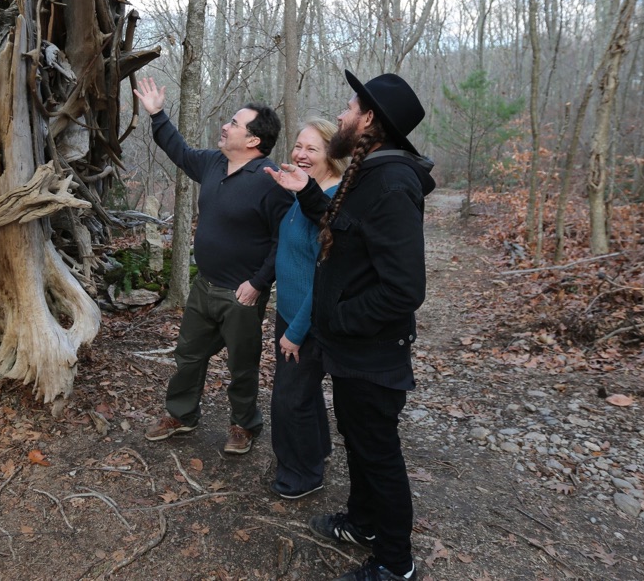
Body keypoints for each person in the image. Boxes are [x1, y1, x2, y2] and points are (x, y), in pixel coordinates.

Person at [266, 71, 435, 581]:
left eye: (350, 106)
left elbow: (405, 288)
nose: (341, 113)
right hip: (353, 350)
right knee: (358, 441)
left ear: (370, 121)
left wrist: (336, 317)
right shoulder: (369, 175)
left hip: (372, 352)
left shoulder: (392, 182)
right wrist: (307, 197)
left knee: (378, 453)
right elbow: (349, 234)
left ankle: (394, 563)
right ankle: (363, 523)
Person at [133, 77, 293, 455]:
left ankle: (244, 425)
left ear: (253, 140)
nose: (226, 126)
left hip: (242, 294)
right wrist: (157, 115)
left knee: (242, 366)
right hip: (204, 287)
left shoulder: (271, 181)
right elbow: (178, 150)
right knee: (188, 356)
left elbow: (281, 241)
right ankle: (182, 415)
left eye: (235, 123)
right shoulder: (213, 163)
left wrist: (257, 283)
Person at [270, 119, 345, 499]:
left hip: (307, 319)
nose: (300, 154)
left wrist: (296, 332)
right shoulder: (306, 194)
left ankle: (301, 474)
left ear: (331, 155)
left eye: (311, 149)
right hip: (289, 310)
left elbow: (325, 278)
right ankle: (317, 451)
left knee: (289, 399)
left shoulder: (331, 204)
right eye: (298, 146)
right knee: (305, 393)